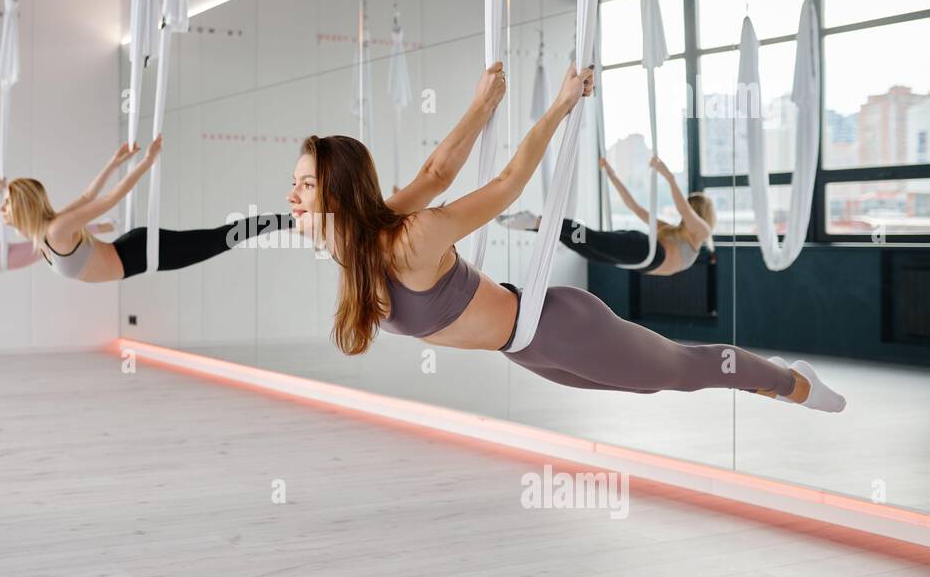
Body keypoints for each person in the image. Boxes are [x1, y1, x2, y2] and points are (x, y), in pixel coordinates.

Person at [285, 62, 844, 411]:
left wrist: (557, 108)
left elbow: (505, 183)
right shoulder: (356, 241)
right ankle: (760, 377)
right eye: (296, 184)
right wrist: (482, 106)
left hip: (557, 326)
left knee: (683, 369)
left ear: (337, 194)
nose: (293, 197)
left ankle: (792, 384)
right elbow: (434, 173)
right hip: (527, 350)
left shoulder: (410, 237)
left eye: (305, 186)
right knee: (655, 382)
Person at [5, 137, 293, 282]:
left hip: (140, 253)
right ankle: (294, 222)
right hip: (136, 253)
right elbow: (87, 194)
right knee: (224, 237)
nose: (3, 209)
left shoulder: (57, 230)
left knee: (225, 237)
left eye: (6, 203)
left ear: (21, 207)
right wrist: (115, 163)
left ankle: (294, 221)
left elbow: (106, 200)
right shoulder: (48, 232)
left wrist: (147, 162)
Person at [498, 155, 714, 276]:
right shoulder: (672, 229)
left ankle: (535, 224)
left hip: (642, 259)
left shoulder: (701, 233)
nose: (686, 212)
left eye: (691, 208)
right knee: (590, 238)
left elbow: (684, 210)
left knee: (585, 248)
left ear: (700, 213)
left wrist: (668, 175)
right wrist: (612, 175)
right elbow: (635, 207)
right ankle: (535, 221)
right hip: (647, 252)